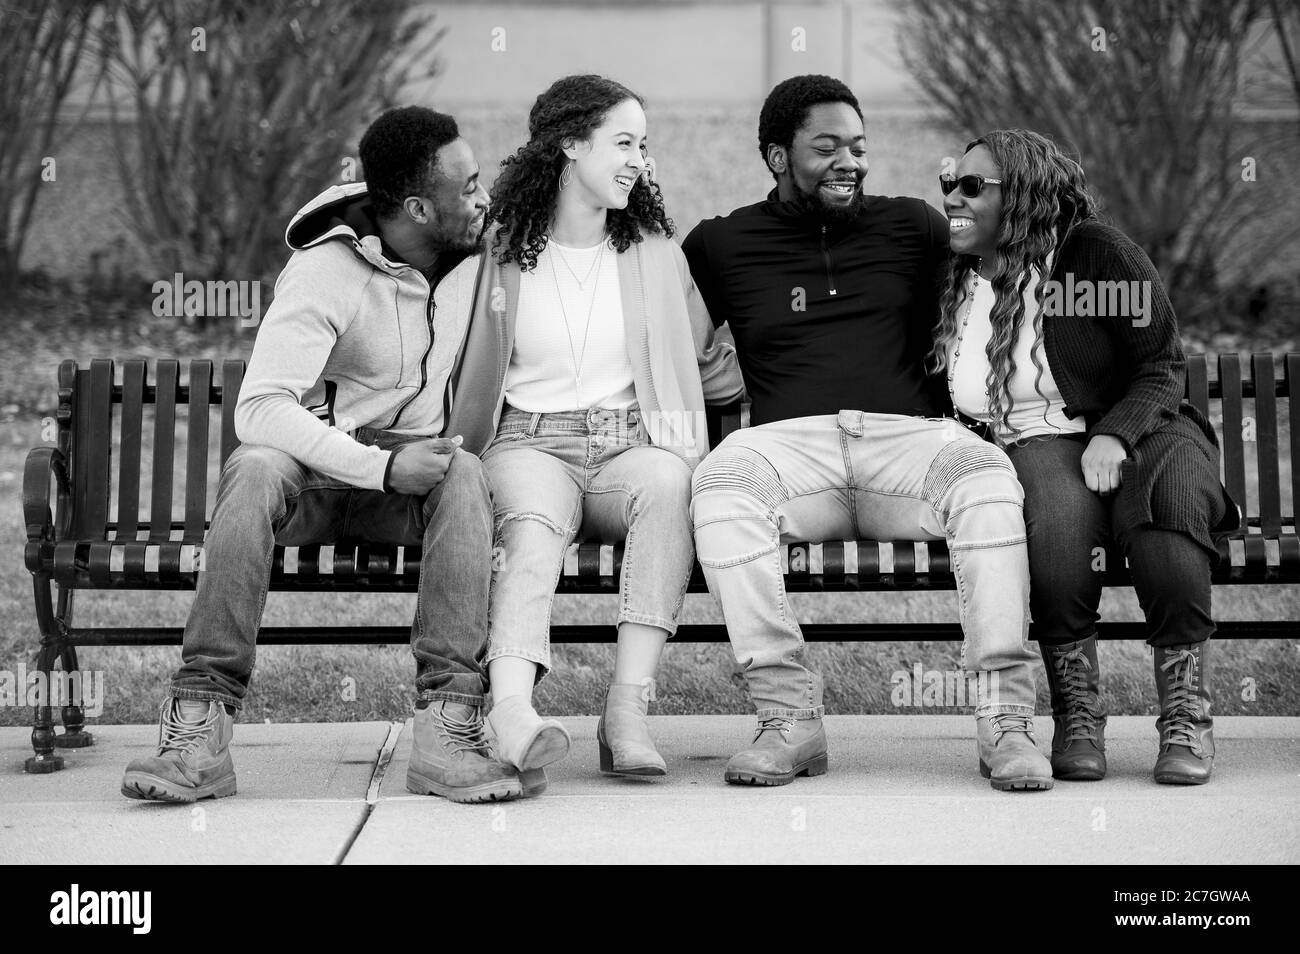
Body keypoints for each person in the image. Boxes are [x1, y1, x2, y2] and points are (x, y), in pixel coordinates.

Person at [120, 106, 531, 805]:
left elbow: (565, 196)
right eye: (467, 188)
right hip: (321, 470)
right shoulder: (324, 270)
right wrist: (377, 466)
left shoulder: (479, 255)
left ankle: (448, 727)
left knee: (462, 472)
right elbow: (259, 408)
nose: (483, 199)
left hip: (409, 479)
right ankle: (200, 725)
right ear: (416, 207)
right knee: (254, 466)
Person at [683, 74, 1053, 792]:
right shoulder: (722, 243)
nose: (849, 161)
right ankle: (788, 720)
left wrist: (975, 191)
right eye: (826, 148)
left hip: (908, 442)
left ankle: (1005, 722)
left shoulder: (913, 225)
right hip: (789, 449)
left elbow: (1014, 262)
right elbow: (683, 357)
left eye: (858, 146)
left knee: (983, 479)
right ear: (776, 156)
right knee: (722, 483)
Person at [445, 74, 743, 786]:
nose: (639, 158)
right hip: (527, 440)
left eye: (644, 144)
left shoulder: (655, 255)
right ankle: (512, 711)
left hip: (627, 444)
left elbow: (705, 364)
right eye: (623, 142)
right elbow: (444, 347)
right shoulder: (501, 251)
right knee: (531, 530)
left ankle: (626, 712)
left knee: (670, 481)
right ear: (572, 144)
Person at [933, 129, 1238, 784]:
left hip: (1144, 426)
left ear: (1023, 197)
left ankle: (1186, 718)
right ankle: (1077, 713)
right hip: (1039, 441)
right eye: (948, 182)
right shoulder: (958, 269)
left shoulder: (1090, 257)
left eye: (971, 186)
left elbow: (1158, 367)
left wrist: (1113, 434)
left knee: (1167, 513)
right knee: (1060, 531)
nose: (953, 198)